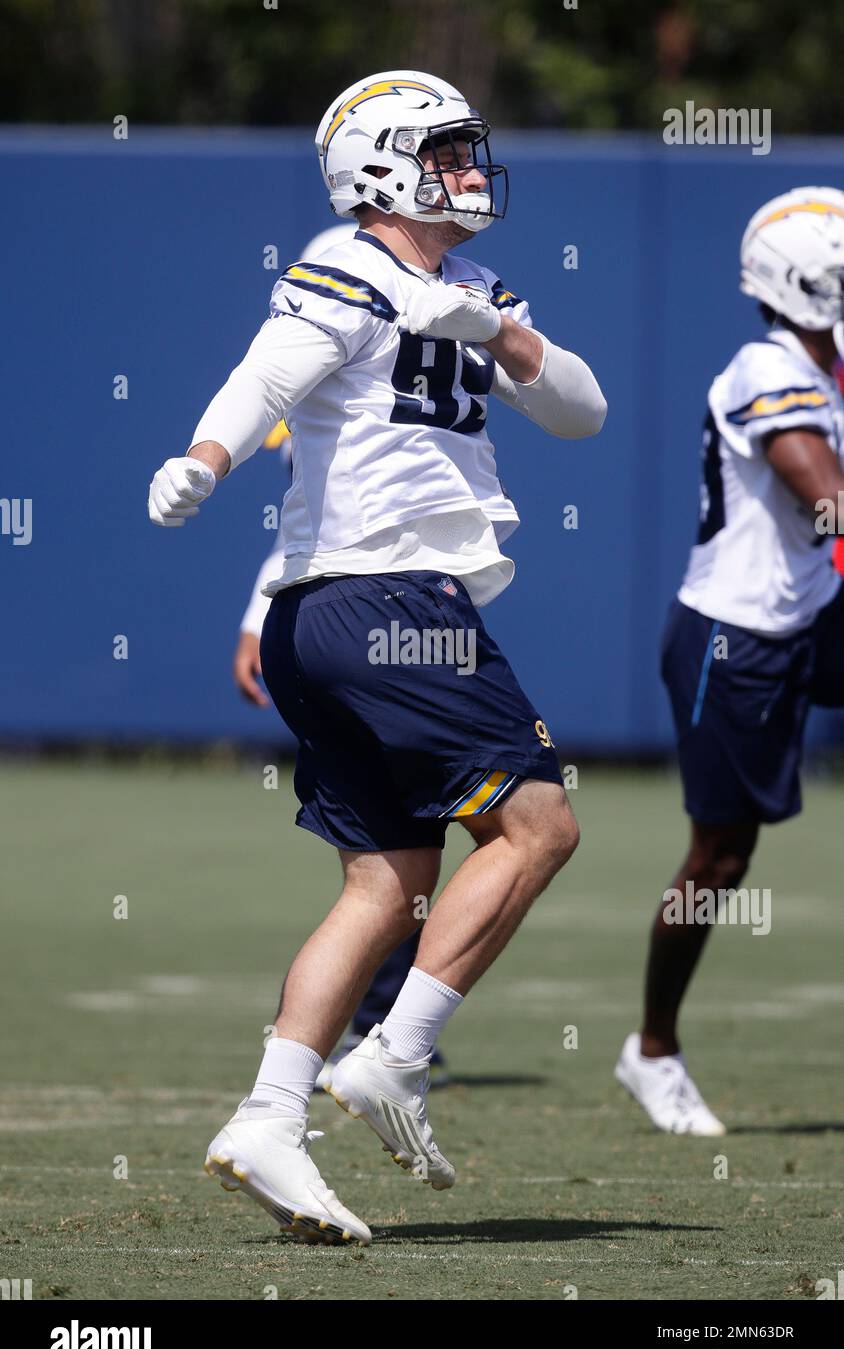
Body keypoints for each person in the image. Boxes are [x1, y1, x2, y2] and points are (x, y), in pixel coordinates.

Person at [149, 69, 606, 1245]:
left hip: (326, 616)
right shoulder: (350, 264)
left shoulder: (467, 282)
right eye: (448, 148)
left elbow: (580, 409)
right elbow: (270, 377)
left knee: (385, 883)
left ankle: (268, 1114)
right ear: (387, 165)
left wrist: (495, 326)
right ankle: (396, 1054)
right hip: (387, 595)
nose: (470, 166)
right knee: (541, 824)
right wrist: (206, 458)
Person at [616, 188, 844, 1136]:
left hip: (817, 616)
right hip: (733, 638)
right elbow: (827, 497)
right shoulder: (763, 368)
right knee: (721, 854)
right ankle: (652, 1050)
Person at [234, 222, 451, 1091]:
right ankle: (388, 1038)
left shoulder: (437, 326)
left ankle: (321, 1061)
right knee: (525, 825)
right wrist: (257, 608)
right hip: (364, 604)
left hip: (374, 603)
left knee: (395, 866)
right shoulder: (342, 321)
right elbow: (313, 498)